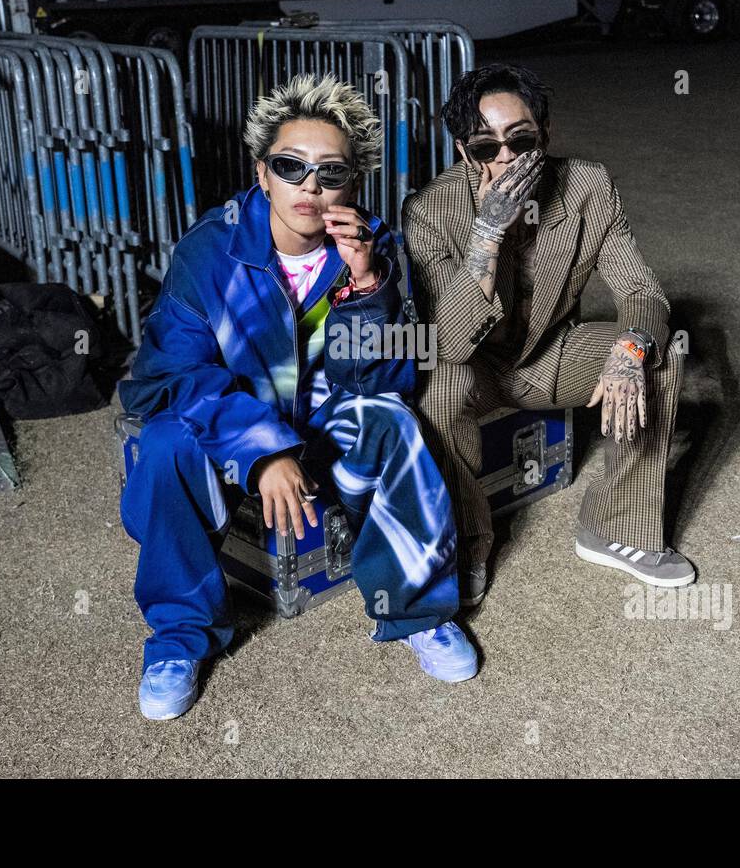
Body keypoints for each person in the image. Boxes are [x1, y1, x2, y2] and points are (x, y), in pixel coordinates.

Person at [119, 73, 475, 721]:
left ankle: (417, 610)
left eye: (330, 172)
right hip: (233, 430)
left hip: (326, 424)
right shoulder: (209, 250)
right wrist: (262, 450)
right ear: (263, 173)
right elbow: (170, 372)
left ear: (354, 182)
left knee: (395, 423)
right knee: (164, 440)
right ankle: (179, 636)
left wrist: (367, 289)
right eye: (291, 166)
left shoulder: (376, 248)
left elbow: (387, 386)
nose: (310, 186)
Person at [403, 63, 694, 606]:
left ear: (546, 132)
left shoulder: (589, 186)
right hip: (476, 366)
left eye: (521, 139)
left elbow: (642, 292)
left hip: (553, 354)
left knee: (659, 355)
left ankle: (617, 528)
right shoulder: (429, 211)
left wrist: (630, 351)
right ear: (464, 152)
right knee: (438, 387)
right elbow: (449, 342)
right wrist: (487, 232)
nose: (507, 158)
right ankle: (468, 542)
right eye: (487, 148)